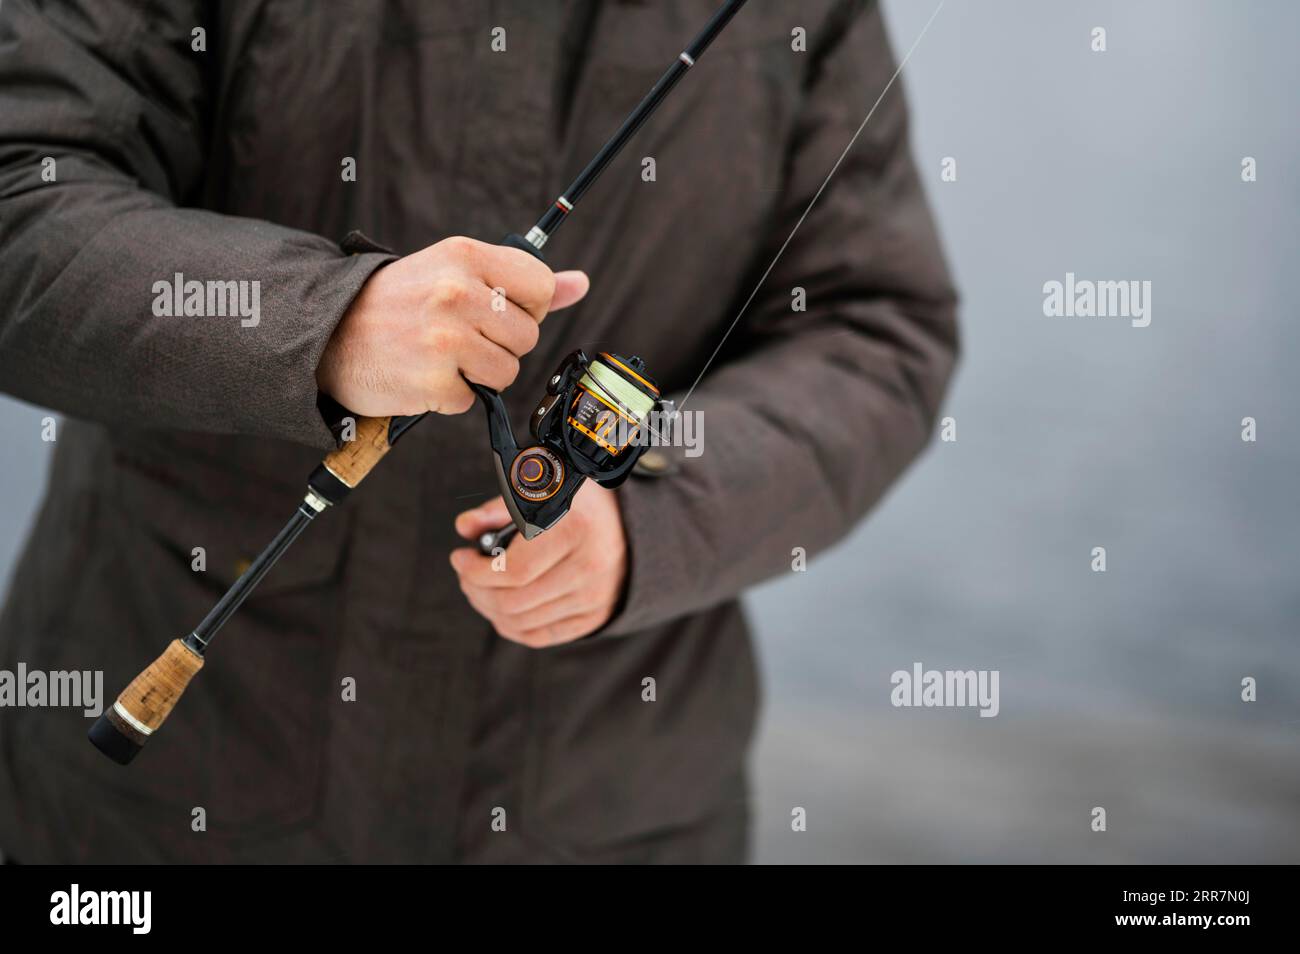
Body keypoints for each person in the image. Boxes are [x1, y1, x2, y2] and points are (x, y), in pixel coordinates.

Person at [0, 0, 957, 863]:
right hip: (159, 815)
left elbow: (874, 327)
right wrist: (322, 322)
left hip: (615, 818)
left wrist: (651, 510)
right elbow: (25, 200)